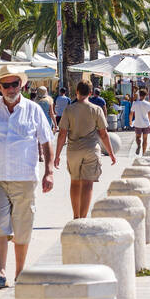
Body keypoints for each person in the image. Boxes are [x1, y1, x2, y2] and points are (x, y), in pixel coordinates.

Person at [0, 66, 54, 288]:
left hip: (24, 177)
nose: (10, 89)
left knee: (22, 225)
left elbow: (46, 141)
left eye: (14, 84)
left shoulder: (33, 110)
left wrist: (49, 172)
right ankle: (0, 273)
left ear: (22, 85)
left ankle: (20, 272)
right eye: (5, 85)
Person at [55, 80, 117, 218]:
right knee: (88, 184)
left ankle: (76, 216)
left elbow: (62, 134)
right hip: (91, 149)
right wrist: (111, 153)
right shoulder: (96, 109)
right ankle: (83, 218)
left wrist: (57, 155)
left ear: (77, 91)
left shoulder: (69, 109)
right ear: (90, 93)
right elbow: (103, 134)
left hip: (73, 150)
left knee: (75, 182)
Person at [131, 87, 150, 155]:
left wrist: (130, 121)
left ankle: (138, 145)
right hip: (146, 124)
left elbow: (131, 113)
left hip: (137, 123)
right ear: (145, 95)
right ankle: (143, 153)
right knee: (145, 139)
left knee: (138, 137)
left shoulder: (135, 103)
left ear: (139, 95)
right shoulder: (148, 104)